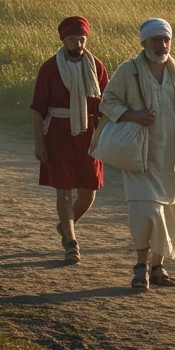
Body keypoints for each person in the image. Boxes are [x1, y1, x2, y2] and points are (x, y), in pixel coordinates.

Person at [95, 18, 175, 290]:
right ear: (144, 42)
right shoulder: (128, 71)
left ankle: (158, 267)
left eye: (166, 40)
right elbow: (107, 102)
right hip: (139, 157)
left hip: (173, 159)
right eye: (156, 40)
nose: (162, 45)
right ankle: (139, 266)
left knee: (168, 214)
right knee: (145, 212)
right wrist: (134, 115)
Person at [31, 16, 108, 265]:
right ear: (63, 40)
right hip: (58, 133)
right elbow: (38, 108)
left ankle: (66, 225)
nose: (78, 44)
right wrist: (39, 142)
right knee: (63, 192)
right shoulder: (49, 68)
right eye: (73, 39)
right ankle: (72, 244)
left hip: (89, 134)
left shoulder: (96, 66)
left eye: (81, 39)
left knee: (88, 193)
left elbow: (106, 102)